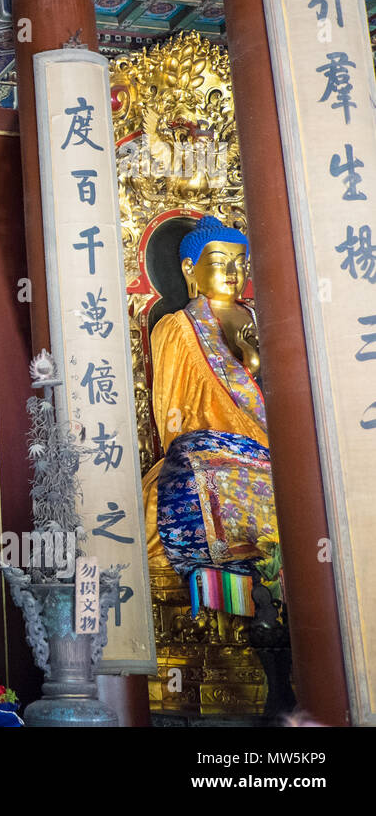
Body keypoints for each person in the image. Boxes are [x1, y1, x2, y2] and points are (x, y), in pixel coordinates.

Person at [143, 216, 275, 613]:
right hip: (209, 443)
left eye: (241, 262)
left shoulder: (261, 319)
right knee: (192, 478)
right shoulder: (178, 327)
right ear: (190, 269)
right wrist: (247, 367)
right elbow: (174, 406)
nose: (234, 273)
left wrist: (256, 362)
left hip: (271, 443)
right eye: (221, 261)